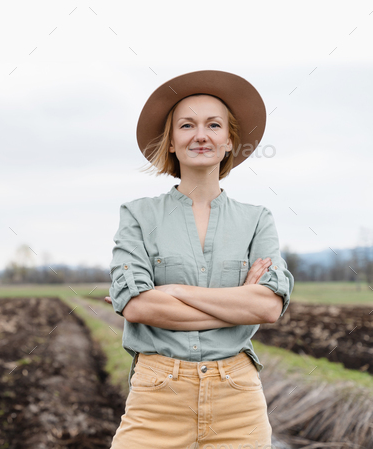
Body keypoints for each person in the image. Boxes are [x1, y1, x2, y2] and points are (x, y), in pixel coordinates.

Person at [104, 70, 294, 448]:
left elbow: (269, 307)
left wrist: (171, 291)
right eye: (187, 125)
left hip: (238, 400)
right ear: (171, 142)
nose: (200, 135)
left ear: (229, 141)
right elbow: (139, 307)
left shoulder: (257, 219)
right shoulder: (138, 215)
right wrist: (238, 302)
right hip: (157, 396)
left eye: (213, 125)